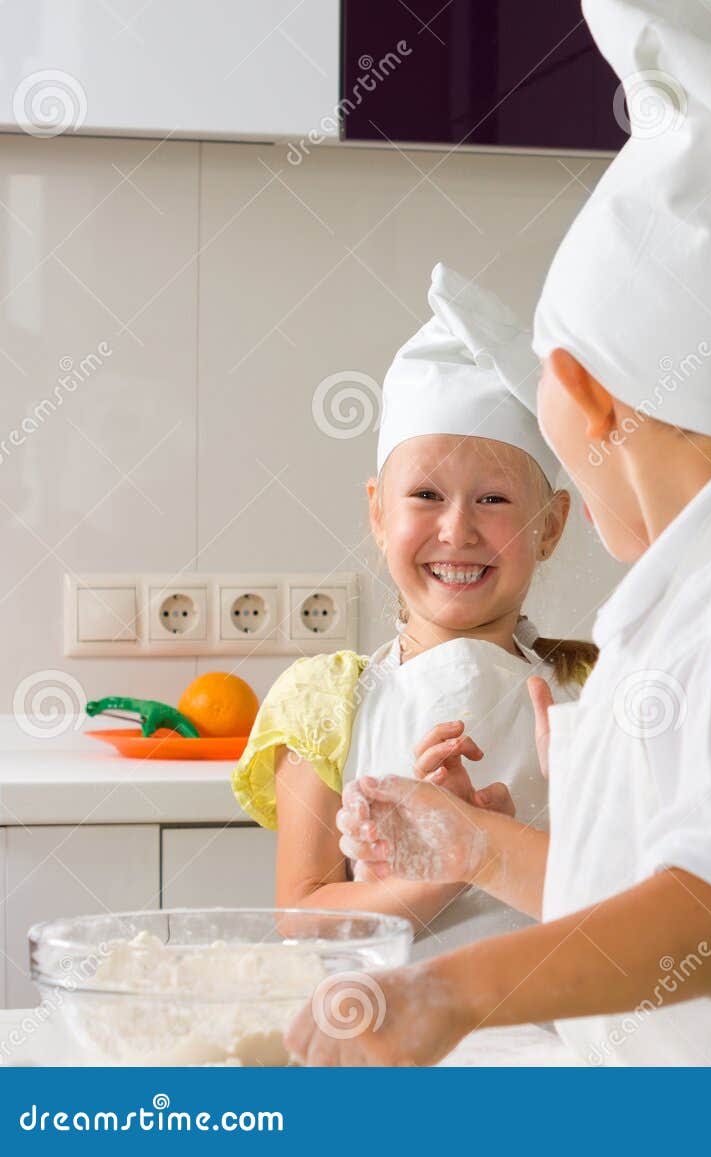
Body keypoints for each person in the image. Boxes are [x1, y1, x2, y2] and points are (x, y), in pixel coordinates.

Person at [286, 0, 711, 1065]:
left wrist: (454, 989)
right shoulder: (701, 588)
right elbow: (639, 888)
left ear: (581, 397)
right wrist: (473, 844)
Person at [233, 264, 592, 954]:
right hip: (379, 1039)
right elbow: (305, 912)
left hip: (551, 1042)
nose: (457, 530)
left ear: (550, 526)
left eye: (493, 499)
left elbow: (630, 898)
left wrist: (479, 840)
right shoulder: (324, 704)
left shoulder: (590, 694)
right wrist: (455, 861)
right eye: (426, 495)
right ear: (377, 510)